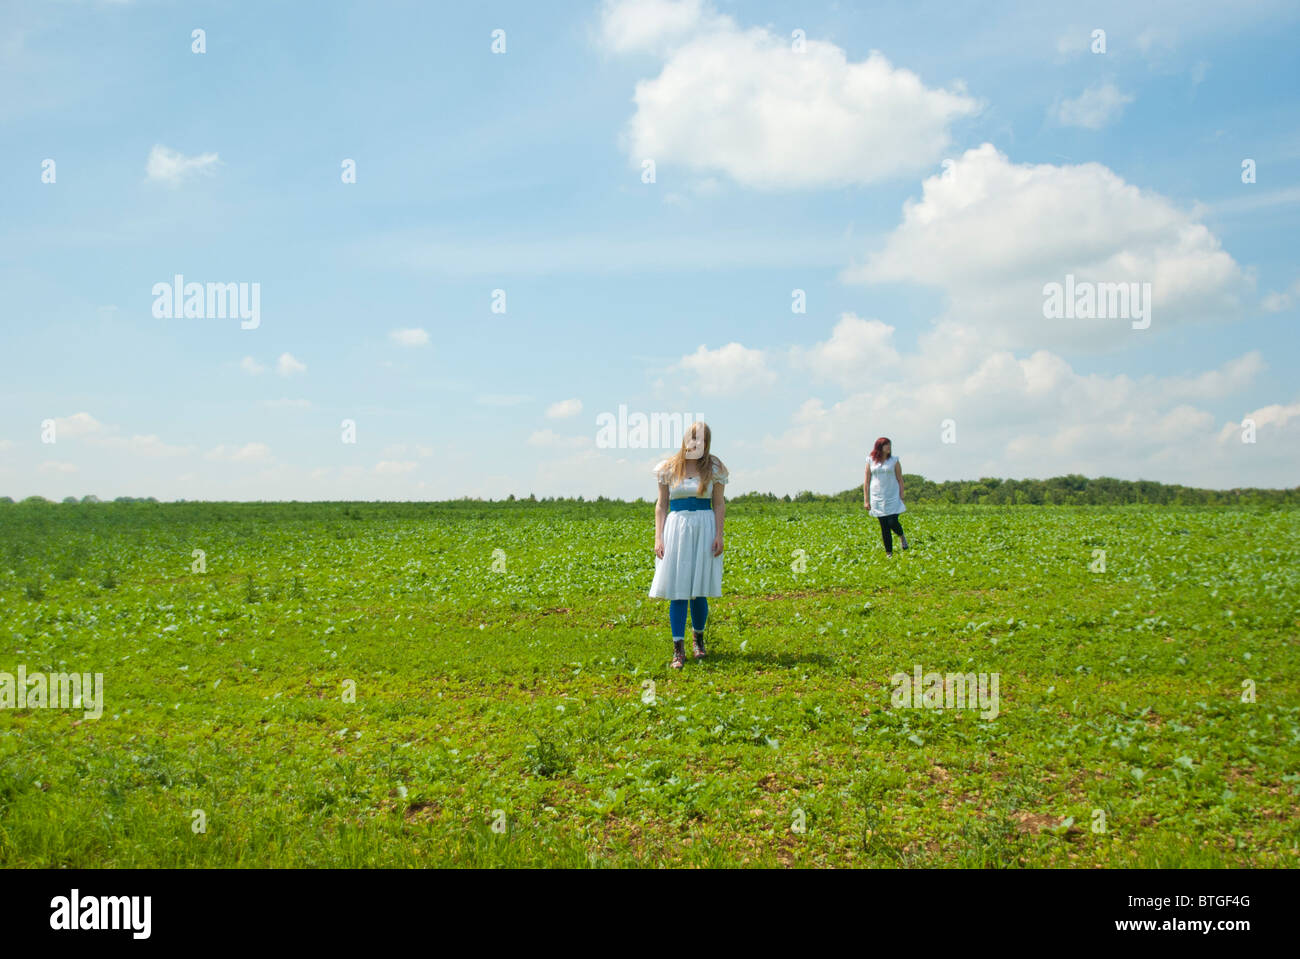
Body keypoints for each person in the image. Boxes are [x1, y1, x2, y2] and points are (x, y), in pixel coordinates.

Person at [649, 421, 728, 669]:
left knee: (699, 589)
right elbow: (661, 505)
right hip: (676, 529)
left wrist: (719, 534)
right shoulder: (669, 468)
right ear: (685, 439)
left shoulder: (714, 468)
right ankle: (678, 649)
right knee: (678, 588)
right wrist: (658, 537)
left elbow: (719, 504)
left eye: (702, 440)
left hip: (704, 528)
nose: (697, 444)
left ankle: (699, 642)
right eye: (693, 438)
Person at [865, 436, 908, 556]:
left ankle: (902, 536)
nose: (889, 447)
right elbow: (867, 481)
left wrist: (901, 495)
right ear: (879, 447)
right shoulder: (870, 461)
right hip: (877, 497)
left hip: (892, 495)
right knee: (884, 526)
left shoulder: (894, 460)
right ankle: (889, 553)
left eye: (889, 444)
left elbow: (900, 479)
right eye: (886, 445)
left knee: (892, 522)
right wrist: (866, 500)